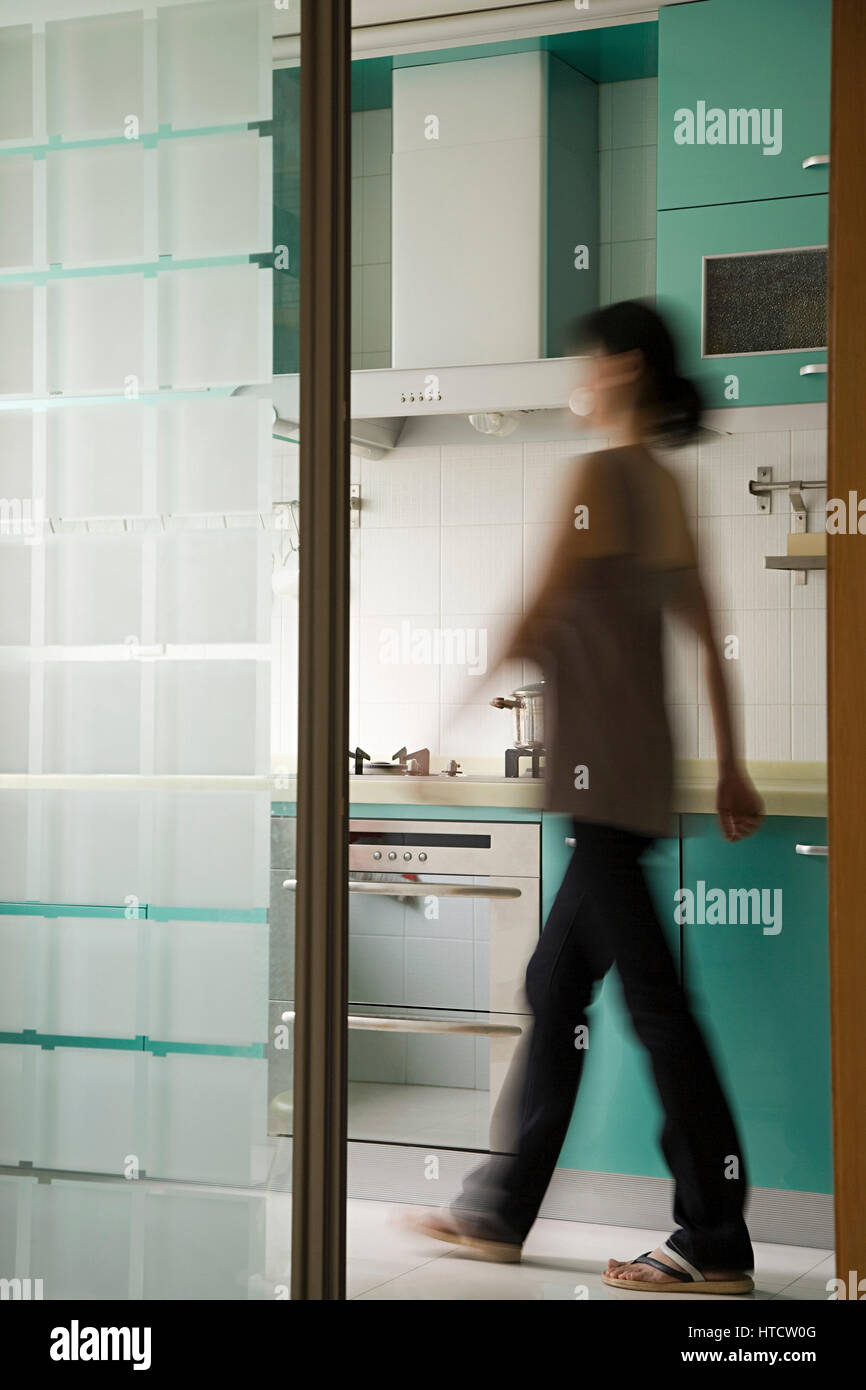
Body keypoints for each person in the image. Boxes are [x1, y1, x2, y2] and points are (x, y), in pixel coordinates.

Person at [409, 300, 764, 1295]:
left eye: (589, 359)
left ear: (624, 367)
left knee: (654, 1004)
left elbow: (533, 610)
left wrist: (451, 715)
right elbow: (708, 640)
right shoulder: (664, 484)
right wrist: (730, 764)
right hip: (632, 778)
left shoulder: (601, 478)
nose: (580, 375)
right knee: (556, 985)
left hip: (598, 779)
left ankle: (714, 1235)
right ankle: (498, 1214)